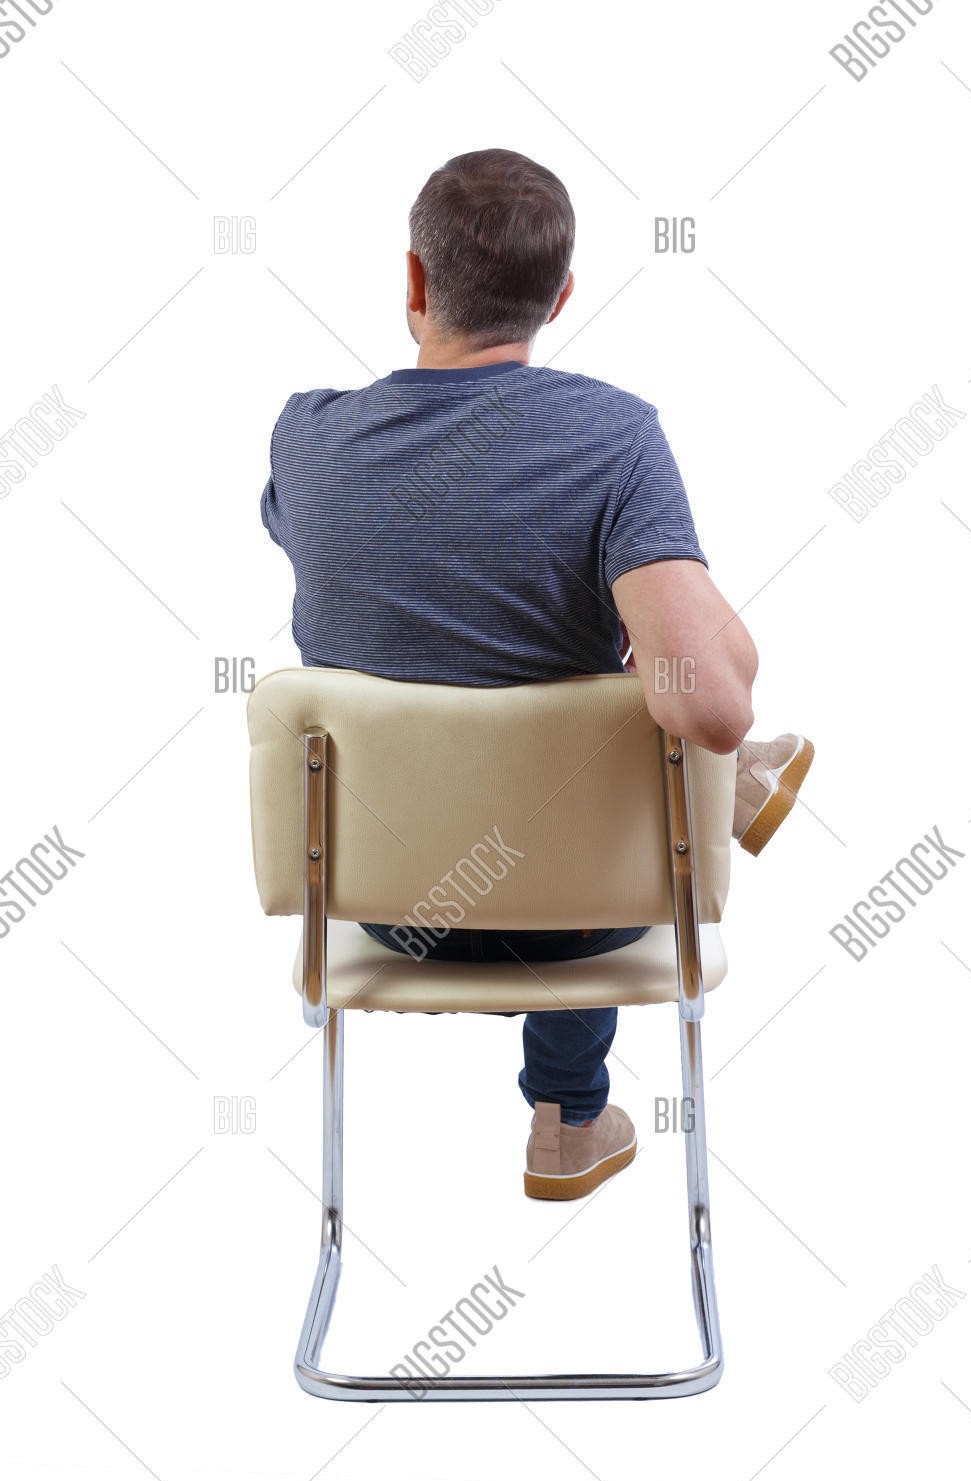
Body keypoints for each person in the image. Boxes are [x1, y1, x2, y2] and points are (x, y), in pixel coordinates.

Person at [260, 149, 814, 1202]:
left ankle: (730, 775)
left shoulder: (306, 437)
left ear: (414, 283)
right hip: (583, 905)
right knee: (613, 714)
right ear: (559, 297)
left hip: (381, 899)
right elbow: (709, 701)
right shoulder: (613, 438)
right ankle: (566, 1118)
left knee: (532, 681)